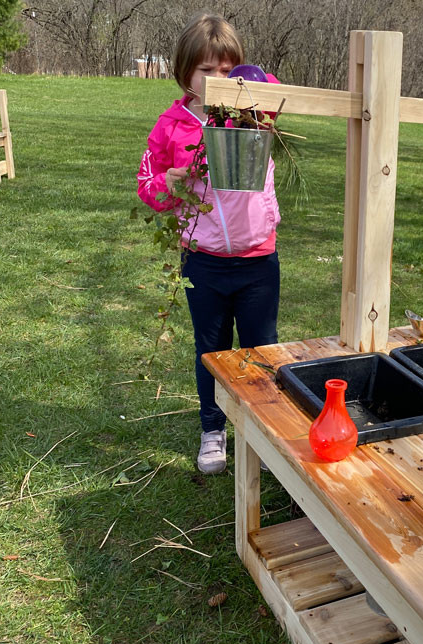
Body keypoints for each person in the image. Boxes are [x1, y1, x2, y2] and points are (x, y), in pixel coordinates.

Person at [137, 13, 281, 474]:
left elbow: (277, 89)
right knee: (212, 351)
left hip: (258, 259)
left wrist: (246, 88)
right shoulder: (171, 126)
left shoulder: (255, 111)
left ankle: (265, 431)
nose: (218, 79)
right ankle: (212, 429)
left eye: (227, 69)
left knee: (262, 350)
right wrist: (170, 181)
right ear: (185, 74)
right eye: (207, 70)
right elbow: (147, 185)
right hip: (204, 262)